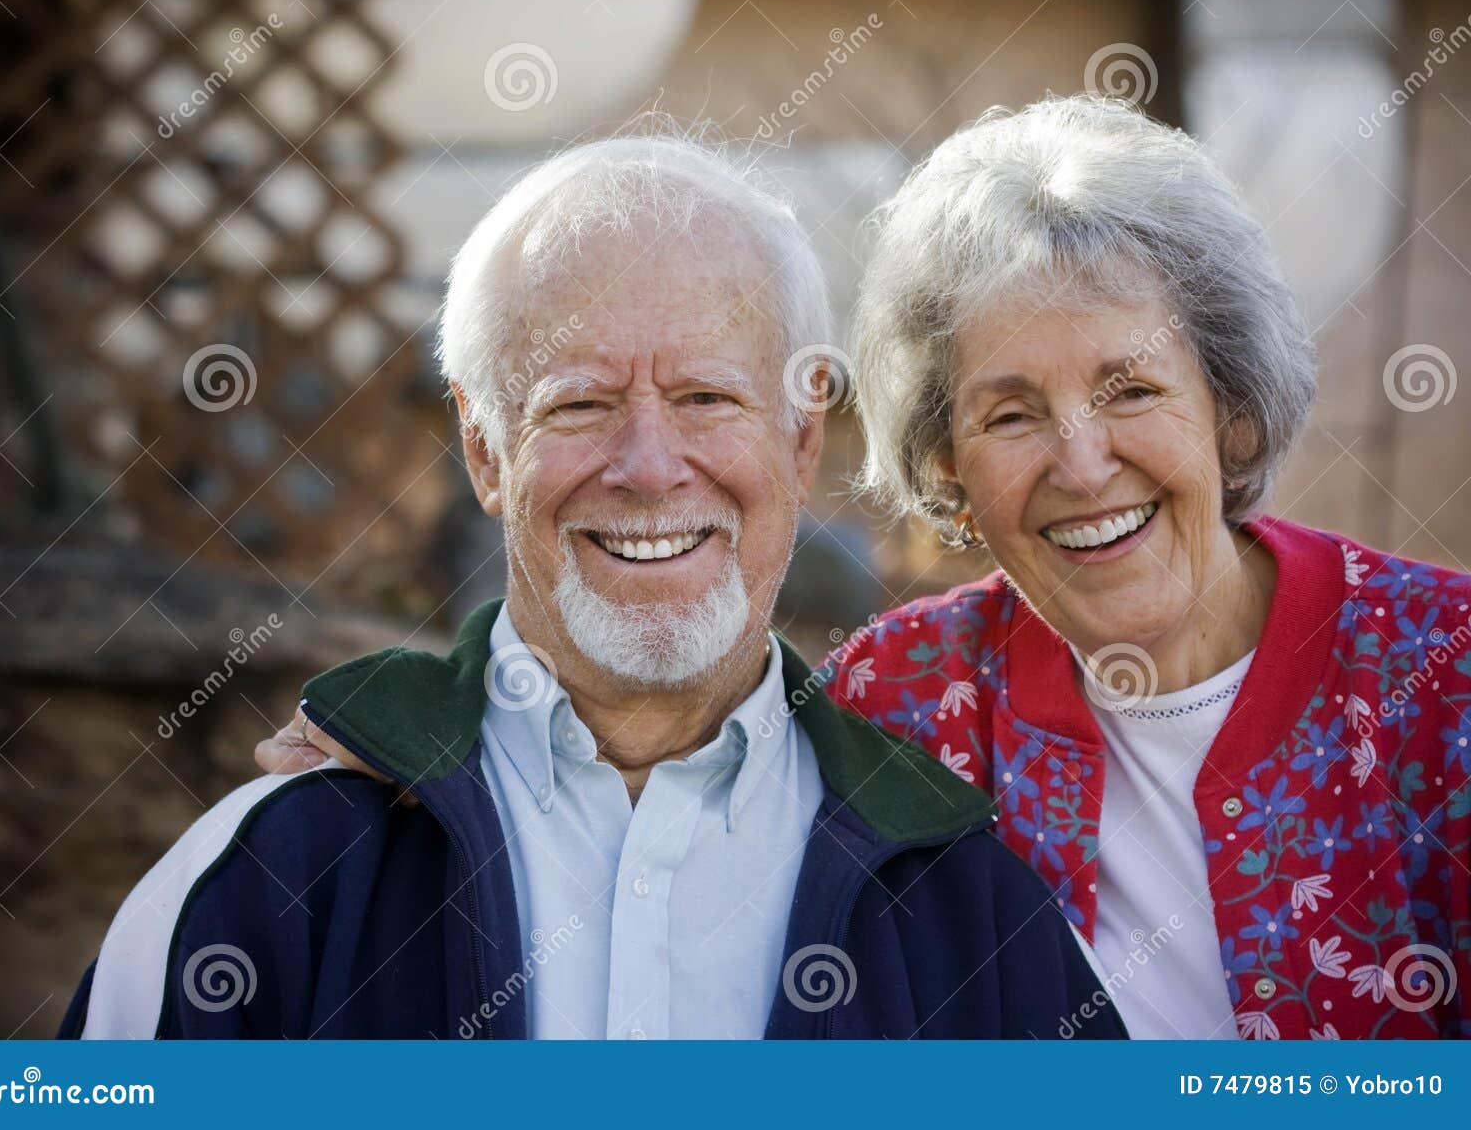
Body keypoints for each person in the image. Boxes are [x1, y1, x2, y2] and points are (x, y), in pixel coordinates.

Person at [266, 97, 1471, 1041]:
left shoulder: (1442, 676)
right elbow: (655, 730)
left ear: (1232, 409)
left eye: (1131, 388)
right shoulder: (907, 692)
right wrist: (420, 743)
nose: (1081, 459)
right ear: (945, 463)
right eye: (1008, 415)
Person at [64, 130, 1120, 1040]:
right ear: (484, 453)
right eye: (579, 405)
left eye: (707, 396)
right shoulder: (277, 876)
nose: (650, 465)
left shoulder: (973, 914)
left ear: (801, 441)